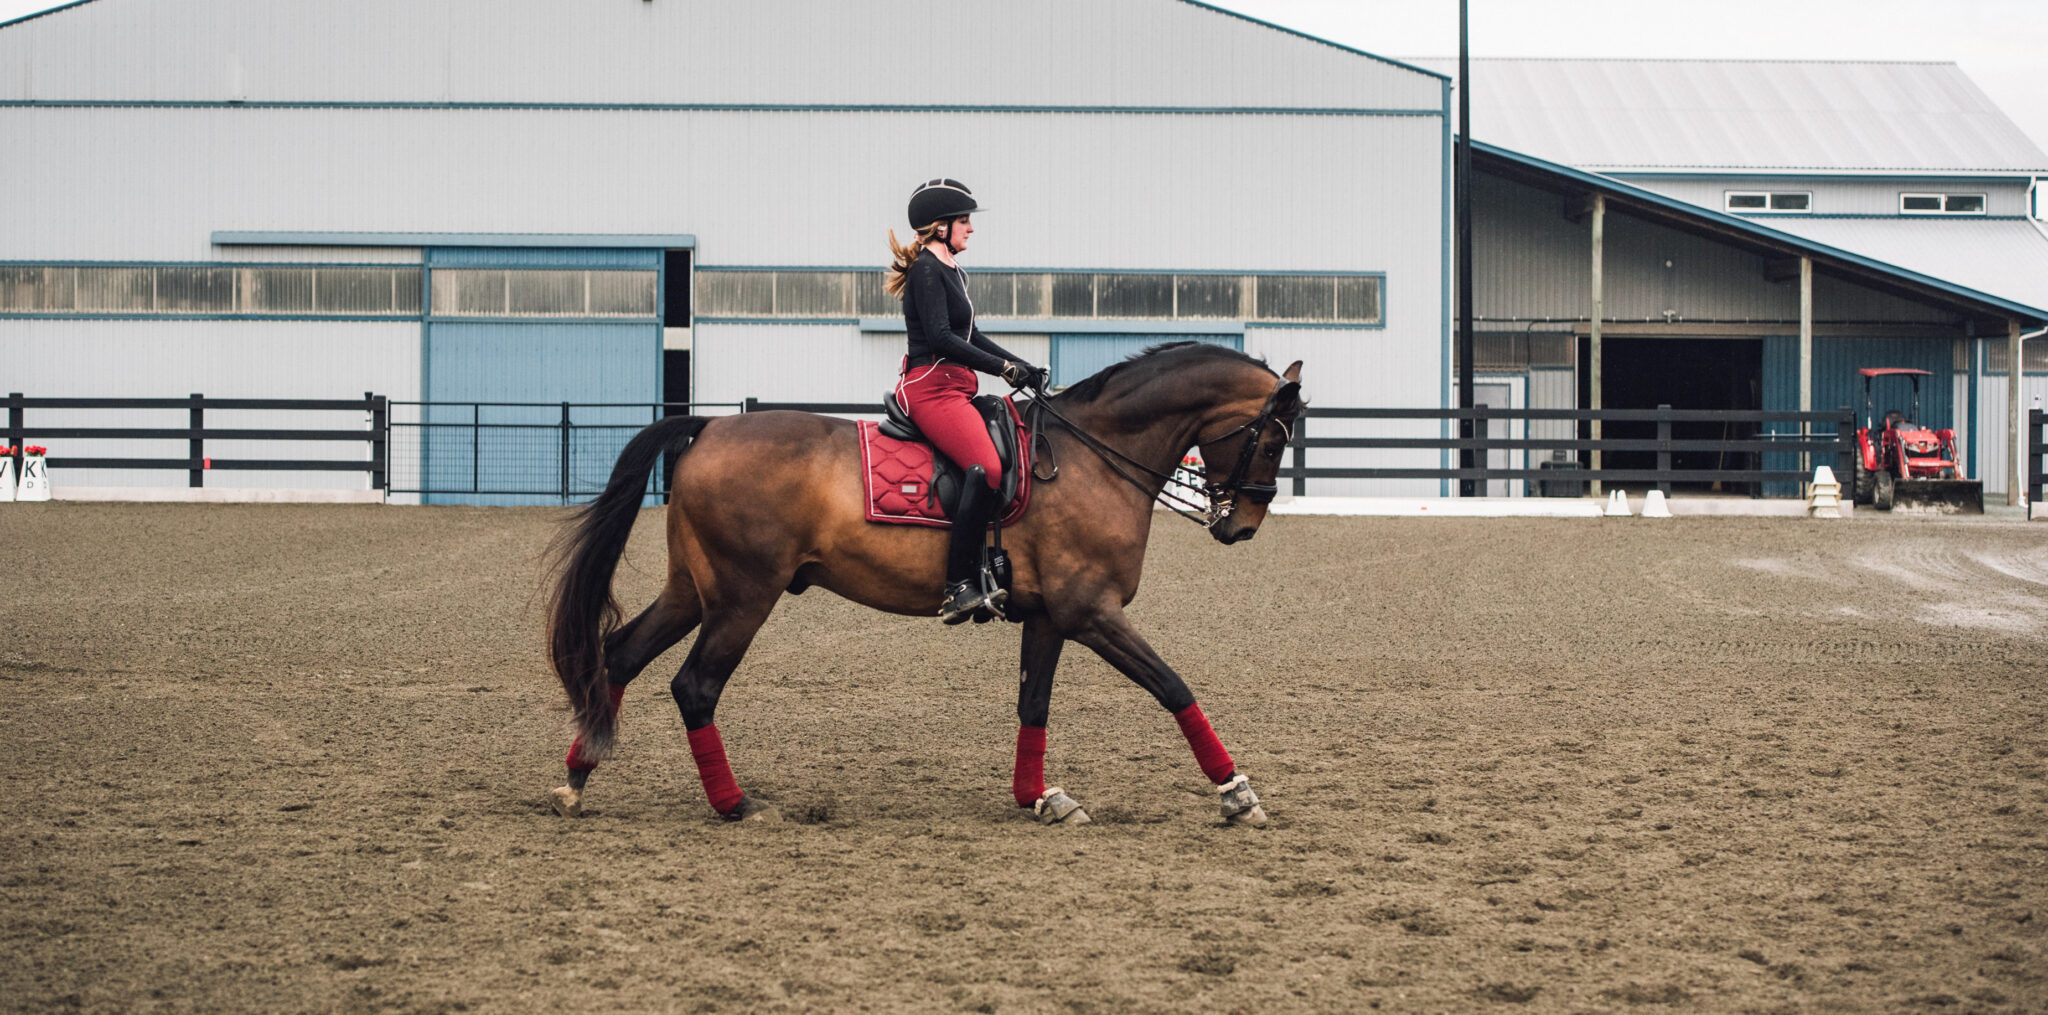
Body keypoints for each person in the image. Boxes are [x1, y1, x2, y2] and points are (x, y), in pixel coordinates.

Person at [884, 178, 1048, 624]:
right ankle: (958, 584)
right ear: (941, 227)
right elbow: (940, 337)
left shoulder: (952, 269)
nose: (971, 229)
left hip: (956, 386)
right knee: (988, 467)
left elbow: (971, 335)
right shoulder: (926, 270)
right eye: (964, 221)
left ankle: (984, 567)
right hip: (930, 386)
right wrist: (1001, 370)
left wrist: (1021, 366)